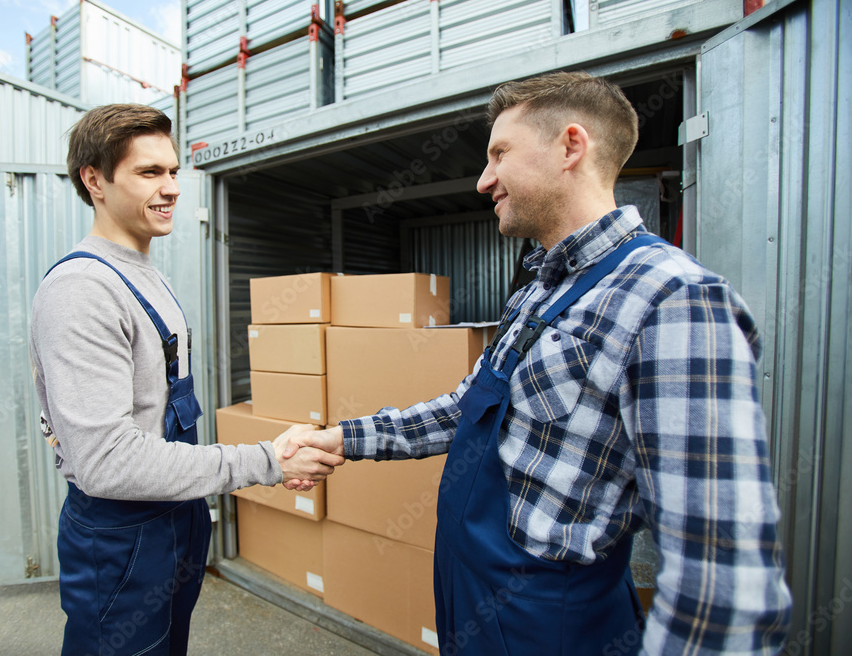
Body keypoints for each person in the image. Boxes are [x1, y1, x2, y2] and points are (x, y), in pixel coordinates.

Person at [284, 71, 792, 654]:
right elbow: (466, 409)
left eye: (499, 154)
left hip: (550, 626)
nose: (483, 180)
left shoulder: (672, 301)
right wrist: (344, 439)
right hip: (468, 593)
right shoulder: (538, 289)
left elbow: (720, 576)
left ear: (570, 146)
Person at [31, 103, 341, 655]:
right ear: (94, 180)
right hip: (122, 536)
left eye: (173, 171)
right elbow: (108, 461)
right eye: (149, 173)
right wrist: (268, 461)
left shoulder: (145, 274)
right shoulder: (82, 290)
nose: (171, 187)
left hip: (176, 515)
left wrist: (262, 465)